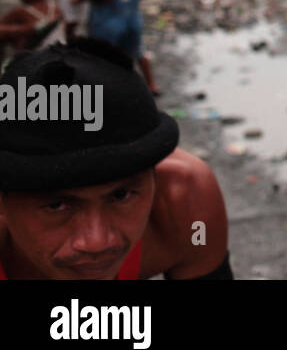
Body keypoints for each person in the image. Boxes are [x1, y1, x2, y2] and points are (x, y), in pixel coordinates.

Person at [0, 40, 231, 279]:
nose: (96, 243)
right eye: (56, 206)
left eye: (120, 196)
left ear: (155, 176)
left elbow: (199, 238)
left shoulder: (189, 210)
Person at [0, 0, 64, 68]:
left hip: (31, 65)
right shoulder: (56, 8)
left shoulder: (21, 12)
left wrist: (26, 30)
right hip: (57, 61)